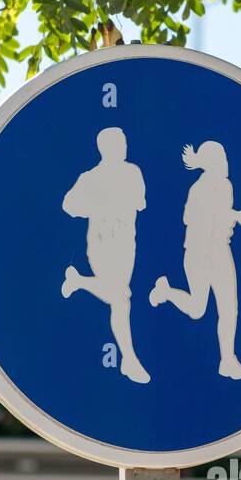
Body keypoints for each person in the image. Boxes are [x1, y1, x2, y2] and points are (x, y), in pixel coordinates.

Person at [149, 141, 241, 379]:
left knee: (229, 309)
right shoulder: (200, 189)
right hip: (198, 252)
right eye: (221, 158)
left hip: (220, 251)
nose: (226, 162)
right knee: (197, 309)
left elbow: (221, 219)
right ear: (212, 162)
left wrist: (230, 218)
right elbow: (195, 219)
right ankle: (165, 292)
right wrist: (233, 216)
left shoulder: (226, 186)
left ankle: (227, 360)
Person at [62, 127, 150, 384]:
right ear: (105, 148)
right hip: (101, 242)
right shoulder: (91, 177)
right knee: (121, 297)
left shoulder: (132, 171)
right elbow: (68, 204)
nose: (123, 148)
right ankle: (130, 360)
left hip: (126, 242)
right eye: (117, 144)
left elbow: (140, 202)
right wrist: (96, 205)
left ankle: (79, 281)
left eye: (123, 143)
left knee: (119, 298)